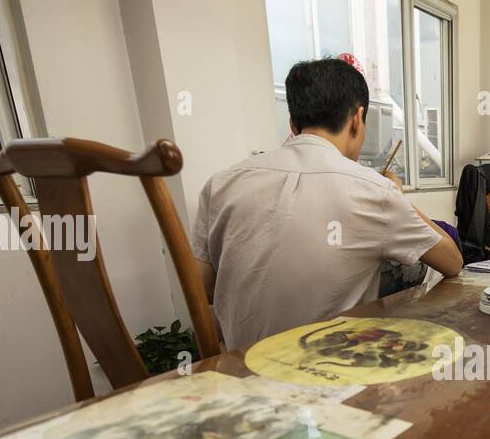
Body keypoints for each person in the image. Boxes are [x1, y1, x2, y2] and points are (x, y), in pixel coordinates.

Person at [192, 58, 462, 348]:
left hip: (244, 372)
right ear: (357, 119)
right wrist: (396, 195)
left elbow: (204, 288)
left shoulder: (221, 182)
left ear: (293, 124)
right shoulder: (373, 190)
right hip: (331, 374)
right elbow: (452, 261)